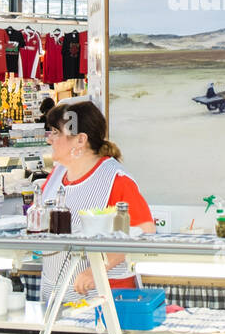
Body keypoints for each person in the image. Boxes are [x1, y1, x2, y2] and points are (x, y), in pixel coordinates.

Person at [36, 101, 155, 304]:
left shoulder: (116, 179)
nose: (50, 139)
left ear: (80, 140)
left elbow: (144, 231)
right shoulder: (56, 175)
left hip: (105, 298)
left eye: (56, 132)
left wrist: (96, 269)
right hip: (56, 295)